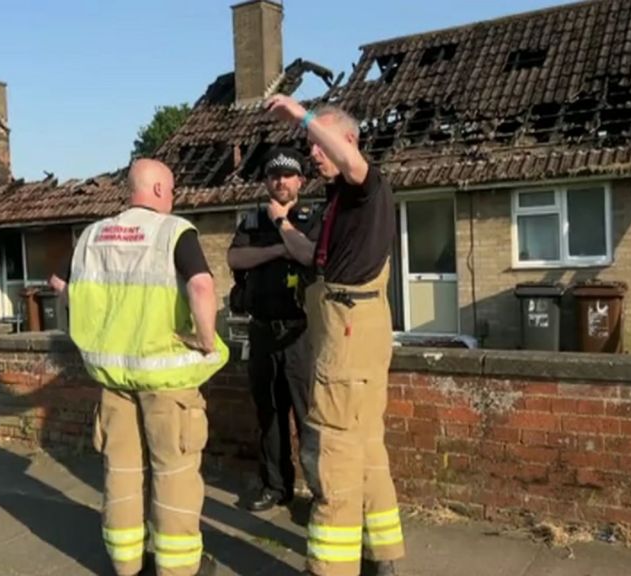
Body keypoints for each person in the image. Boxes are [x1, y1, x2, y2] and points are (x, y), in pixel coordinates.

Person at [50, 158, 229, 576]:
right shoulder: (173, 232)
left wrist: (92, 327)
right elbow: (202, 286)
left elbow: (58, 284)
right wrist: (205, 340)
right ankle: (178, 568)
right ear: (161, 190)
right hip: (167, 381)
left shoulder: (92, 236)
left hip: (113, 379)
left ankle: (127, 564)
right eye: (172, 191)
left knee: (122, 471)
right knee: (174, 473)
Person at [265, 95, 404, 576]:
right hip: (356, 327)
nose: (312, 155)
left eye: (317, 145)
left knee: (332, 454)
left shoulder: (367, 184)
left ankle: (329, 567)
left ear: (347, 140)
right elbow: (313, 257)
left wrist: (300, 114)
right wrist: (282, 223)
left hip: (345, 334)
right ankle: (382, 558)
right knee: (366, 447)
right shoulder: (342, 200)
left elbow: (349, 159)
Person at [226, 147, 319, 512]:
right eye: (274, 175)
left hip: (300, 332)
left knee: (308, 416)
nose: (280, 181)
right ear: (266, 181)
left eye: (288, 175)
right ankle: (276, 487)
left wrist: (285, 229)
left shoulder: (313, 217)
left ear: (300, 181)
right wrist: (280, 251)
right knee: (270, 415)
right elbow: (235, 258)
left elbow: (310, 253)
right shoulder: (252, 222)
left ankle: (320, 494)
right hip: (262, 330)